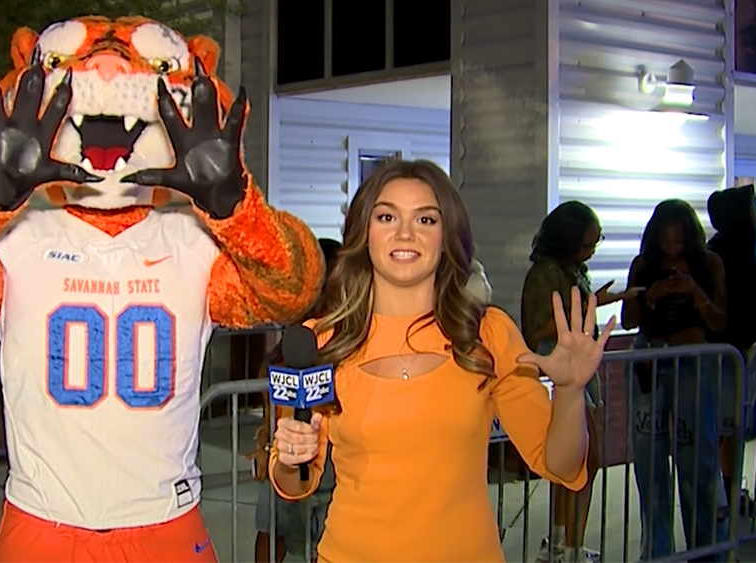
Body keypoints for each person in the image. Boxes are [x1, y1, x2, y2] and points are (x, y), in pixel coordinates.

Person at [0, 16, 322, 563]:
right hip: (44, 522)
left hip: (164, 519)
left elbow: (294, 288)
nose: (111, 71)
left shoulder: (194, 237)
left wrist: (238, 210)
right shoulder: (20, 233)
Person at [266, 159, 615, 562]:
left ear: (448, 234)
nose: (405, 233)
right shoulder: (321, 341)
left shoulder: (488, 334)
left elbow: (561, 464)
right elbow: (292, 484)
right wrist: (292, 458)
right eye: (386, 216)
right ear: (364, 231)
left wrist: (570, 393)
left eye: (426, 220)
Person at [521, 201, 643, 563]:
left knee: (578, 462)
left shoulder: (572, 270)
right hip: (560, 374)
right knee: (585, 460)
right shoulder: (545, 273)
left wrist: (602, 301)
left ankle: (563, 543)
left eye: (596, 243)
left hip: (578, 372)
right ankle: (567, 547)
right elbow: (538, 329)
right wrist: (591, 305)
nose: (591, 250)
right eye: (588, 243)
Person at [621, 199, 728, 562]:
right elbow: (628, 320)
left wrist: (695, 292)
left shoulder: (710, 264)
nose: (671, 250)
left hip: (695, 363)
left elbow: (719, 322)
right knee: (650, 464)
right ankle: (657, 552)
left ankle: (707, 551)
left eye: (678, 242)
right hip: (650, 360)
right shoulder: (644, 265)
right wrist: (650, 297)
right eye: (664, 242)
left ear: (691, 239)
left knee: (697, 459)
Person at [250, 238, 341, 563]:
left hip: (333, 458)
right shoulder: (297, 331)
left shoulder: (348, 333)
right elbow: (269, 377)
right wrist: (265, 440)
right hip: (286, 451)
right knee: (274, 526)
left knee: (325, 535)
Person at [705, 185, 756, 515]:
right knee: (720, 428)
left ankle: (731, 493)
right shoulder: (722, 256)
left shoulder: (746, 251)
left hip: (750, 356)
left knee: (734, 428)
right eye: (753, 208)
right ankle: (714, 496)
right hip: (732, 358)